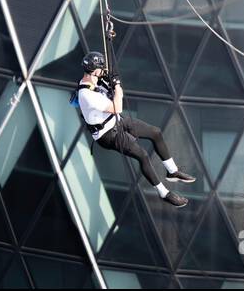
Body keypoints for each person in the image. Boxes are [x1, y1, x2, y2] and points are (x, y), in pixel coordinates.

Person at [74, 51, 195, 207]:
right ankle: (164, 193)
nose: (103, 71)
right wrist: (117, 86)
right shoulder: (87, 95)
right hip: (108, 135)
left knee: (155, 132)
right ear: (95, 70)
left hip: (115, 122)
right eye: (101, 68)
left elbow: (105, 89)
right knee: (143, 156)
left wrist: (108, 81)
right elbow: (117, 106)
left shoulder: (92, 81)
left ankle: (172, 171)